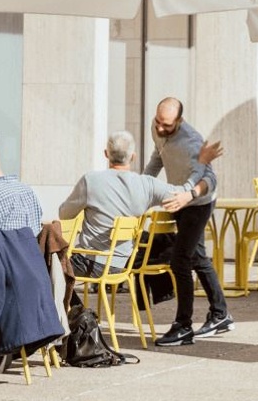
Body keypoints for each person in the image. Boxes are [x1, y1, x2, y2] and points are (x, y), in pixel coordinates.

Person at [59, 130, 221, 276]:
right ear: (133, 156)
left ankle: (77, 307)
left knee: (49, 263)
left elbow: (64, 214)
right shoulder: (148, 185)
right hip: (126, 262)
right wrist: (201, 163)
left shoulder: (91, 180)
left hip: (91, 262)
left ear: (106, 154)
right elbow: (182, 193)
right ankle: (78, 308)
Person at [143, 97, 231, 345]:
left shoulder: (192, 142)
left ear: (179, 121)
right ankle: (220, 313)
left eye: (167, 125)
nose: (161, 128)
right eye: (158, 122)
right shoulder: (156, 128)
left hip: (198, 203)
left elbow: (210, 180)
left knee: (180, 260)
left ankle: (183, 326)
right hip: (179, 200)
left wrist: (189, 195)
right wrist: (140, 186)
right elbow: (158, 157)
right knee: (197, 256)